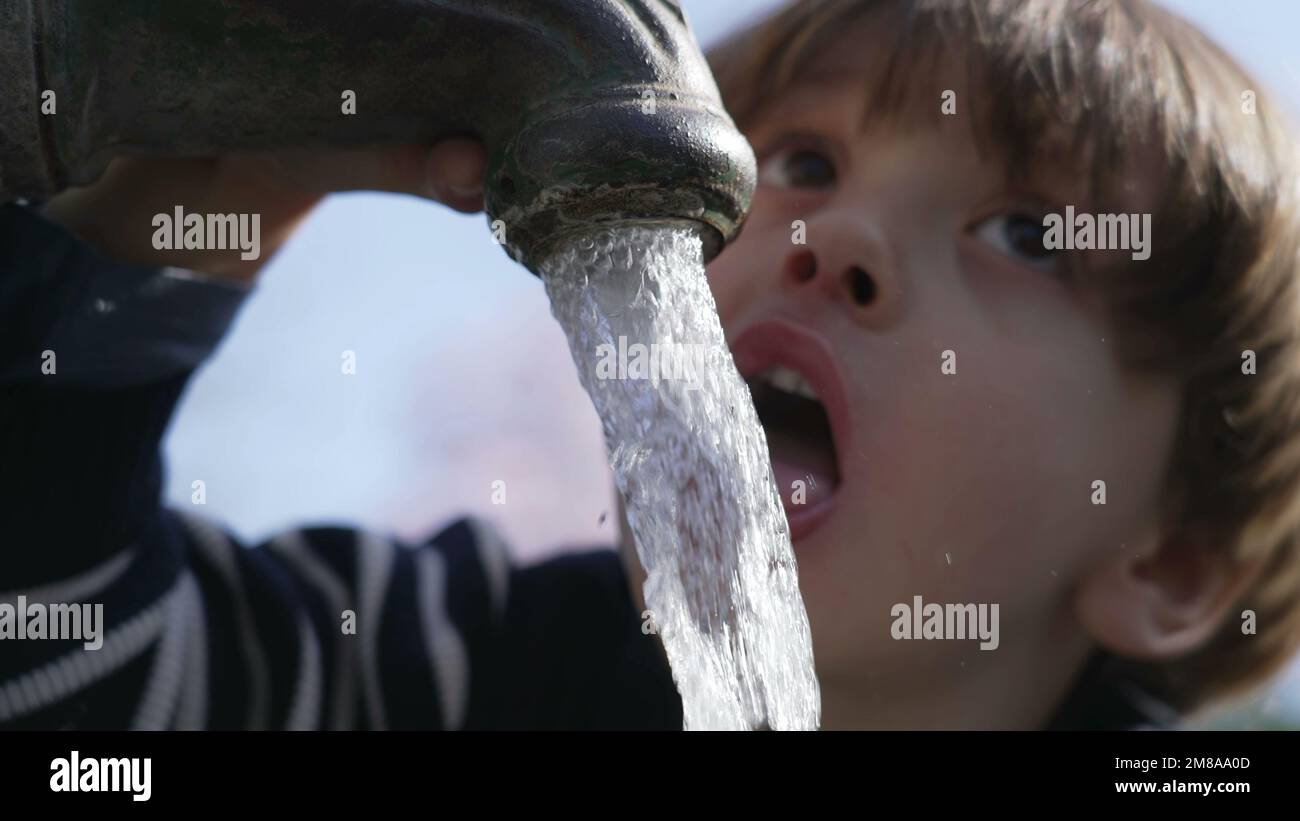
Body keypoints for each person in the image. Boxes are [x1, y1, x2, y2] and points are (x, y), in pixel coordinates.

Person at [3, 0, 1298, 730]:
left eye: (1029, 235)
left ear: (1170, 565)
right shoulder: (472, 668)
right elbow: (70, 683)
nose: (833, 239)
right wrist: (204, 205)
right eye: (798, 163)